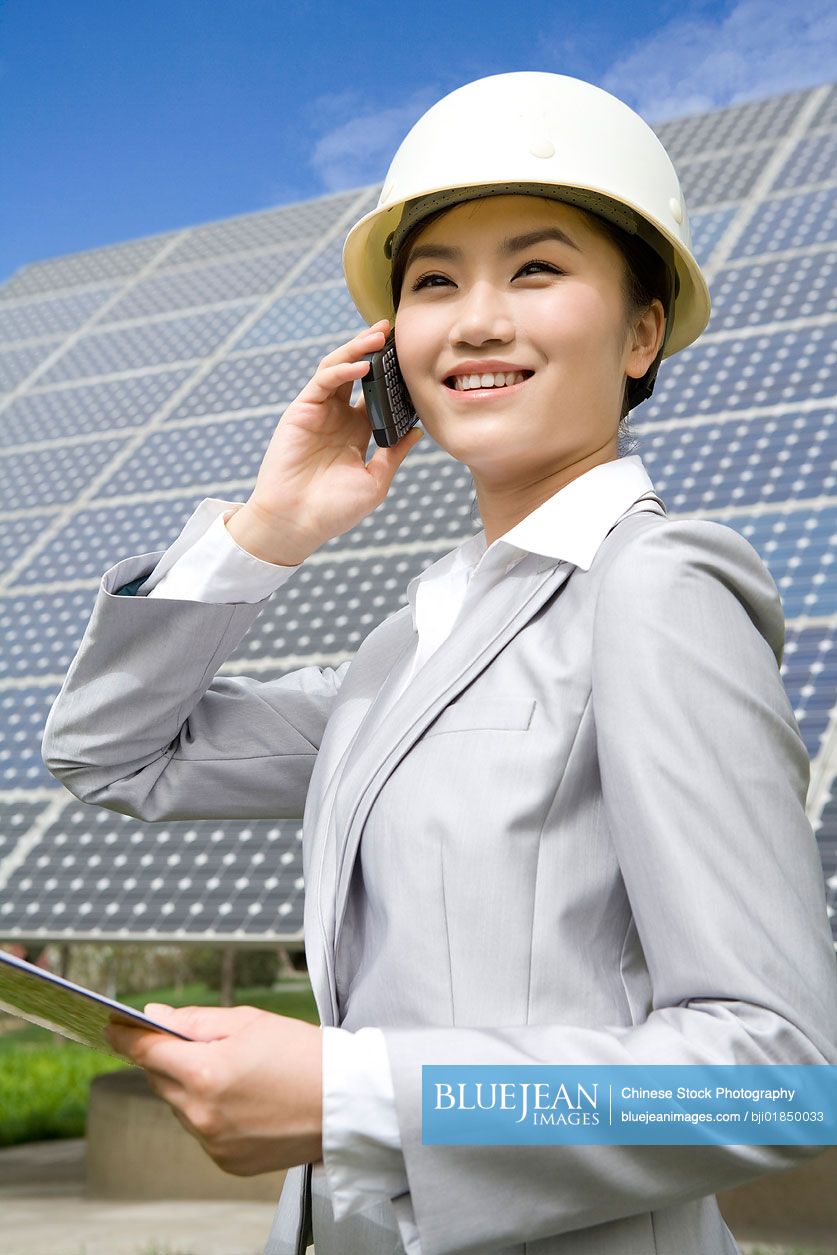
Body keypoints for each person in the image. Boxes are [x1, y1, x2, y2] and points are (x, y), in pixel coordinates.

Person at [41, 72, 837, 1255]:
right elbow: (110, 752)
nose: (475, 321)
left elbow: (777, 1078)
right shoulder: (411, 646)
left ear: (642, 331)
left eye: (536, 270)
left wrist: (355, 1097)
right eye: (434, 283)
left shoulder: (656, 590)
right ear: (391, 348)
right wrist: (271, 526)